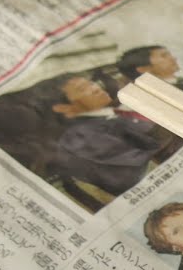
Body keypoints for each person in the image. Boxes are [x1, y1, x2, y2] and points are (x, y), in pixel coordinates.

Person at [49, 73, 168, 206]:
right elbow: (148, 160)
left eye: (91, 83)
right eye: (82, 89)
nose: (96, 88)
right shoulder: (79, 135)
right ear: (62, 108)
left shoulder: (117, 112)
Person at [117, 45, 183, 94]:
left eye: (169, 54)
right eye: (164, 56)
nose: (173, 58)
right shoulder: (158, 96)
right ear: (144, 69)